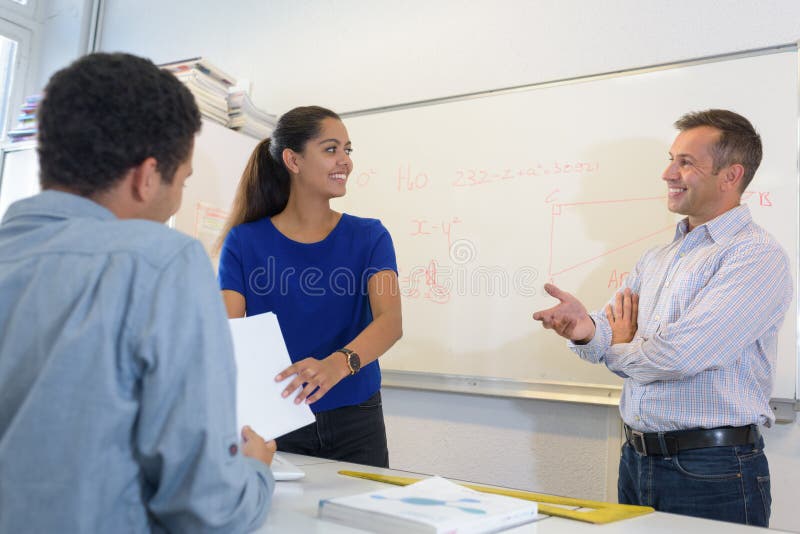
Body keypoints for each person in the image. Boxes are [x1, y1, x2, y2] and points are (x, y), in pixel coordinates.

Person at [0, 53, 276, 533]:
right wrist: (255, 470)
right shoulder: (164, 262)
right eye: (184, 180)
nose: (179, 196)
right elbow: (208, 508)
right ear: (147, 177)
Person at [532, 109, 792, 527]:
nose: (668, 173)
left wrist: (616, 346)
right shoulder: (658, 257)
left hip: (712, 470)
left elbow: (677, 356)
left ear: (731, 176)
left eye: (685, 162)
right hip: (636, 460)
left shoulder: (754, 256)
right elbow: (612, 329)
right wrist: (585, 330)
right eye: (672, 158)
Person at [218, 105, 402, 468]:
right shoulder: (243, 242)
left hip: (357, 419)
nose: (345, 161)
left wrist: (338, 364)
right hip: (275, 421)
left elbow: (390, 322)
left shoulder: (370, 236)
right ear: (293, 160)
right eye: (331, 149)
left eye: (348, 150)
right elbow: (228, 333)